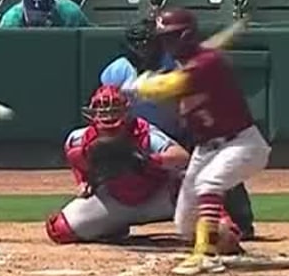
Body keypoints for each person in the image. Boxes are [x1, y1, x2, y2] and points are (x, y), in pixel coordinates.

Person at [121, 11, 271, 275]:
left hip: (240, 143)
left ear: (186, 36)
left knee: (209, 183)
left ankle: (205, 256)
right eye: (163, 39)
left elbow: (170, 86)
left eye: (170, 38)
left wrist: (142, 86)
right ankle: (227, 241)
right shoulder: (192, 62)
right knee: (185, 223)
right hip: (206, 148)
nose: (165, 45)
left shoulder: (208, 63)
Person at [100, 20, 258, 240]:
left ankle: (241, 221)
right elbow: (106, 103)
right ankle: (111, 221)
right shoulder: (118, 70)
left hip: (180, 132)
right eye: (138, 46)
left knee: (217, 164)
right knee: (114, 161)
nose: (143, 51)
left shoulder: (178, 64)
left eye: (148, 44)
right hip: (142, 134)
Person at [46, 85, 228, 247]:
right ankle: (113, 227)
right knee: (60, 230)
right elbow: (77, 161)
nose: (109, 116)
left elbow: (182, 157)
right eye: (104, 111)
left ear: (126, 111)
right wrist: (83, 181)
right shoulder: (78, 140)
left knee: (221, 233)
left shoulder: (144, 132)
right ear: (93, 114)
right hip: (115, 200)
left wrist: (145, 161)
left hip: (160, 196)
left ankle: (227, 221)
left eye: (114, 110)